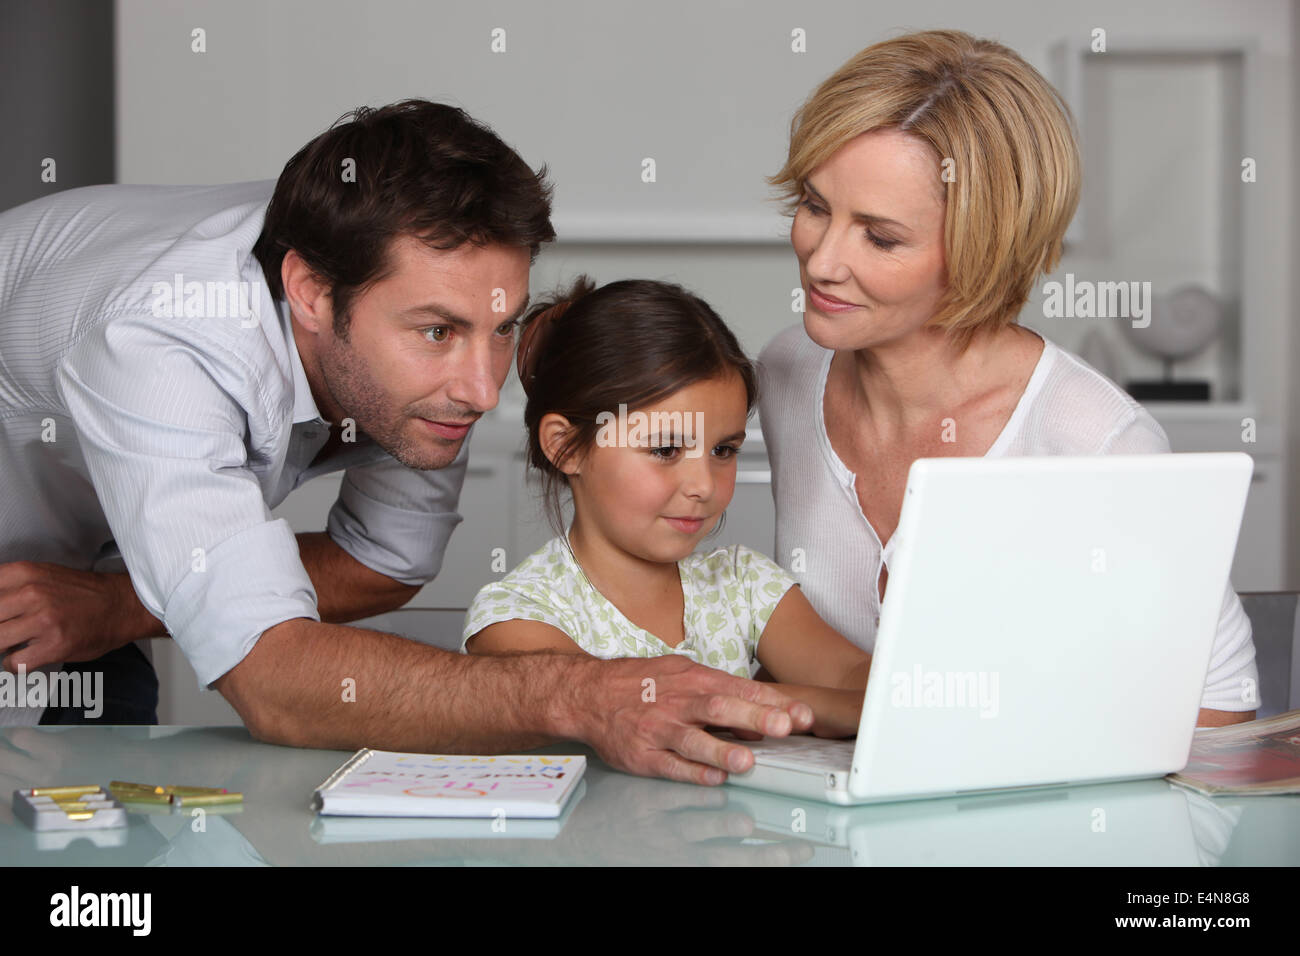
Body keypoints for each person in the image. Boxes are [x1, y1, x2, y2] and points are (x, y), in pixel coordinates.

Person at [0, 99, 812, 783]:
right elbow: (277, 681)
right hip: (21, 555)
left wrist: (114, 605)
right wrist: (577, 695)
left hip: (76, 582)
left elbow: (381, 562)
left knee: (101, 828)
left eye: (502, 329)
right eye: (437, 332)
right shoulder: (164, 343)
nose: (484, 389)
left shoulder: (390, 286)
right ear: (312, 293)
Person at [757, 30, 1259, 726]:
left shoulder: (1093, 441)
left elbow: (1220, 703)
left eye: (880, 236)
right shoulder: (789, 372)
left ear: (982, 249)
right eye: (815, 207)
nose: (821, 261)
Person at [462, 277, 871, 737]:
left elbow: (875, 689)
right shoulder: (520, 615)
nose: (702, 485)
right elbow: (652, 716)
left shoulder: (744, 584)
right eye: (665, 450)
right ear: (565, 448)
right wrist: (791, 704)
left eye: (723, 450)